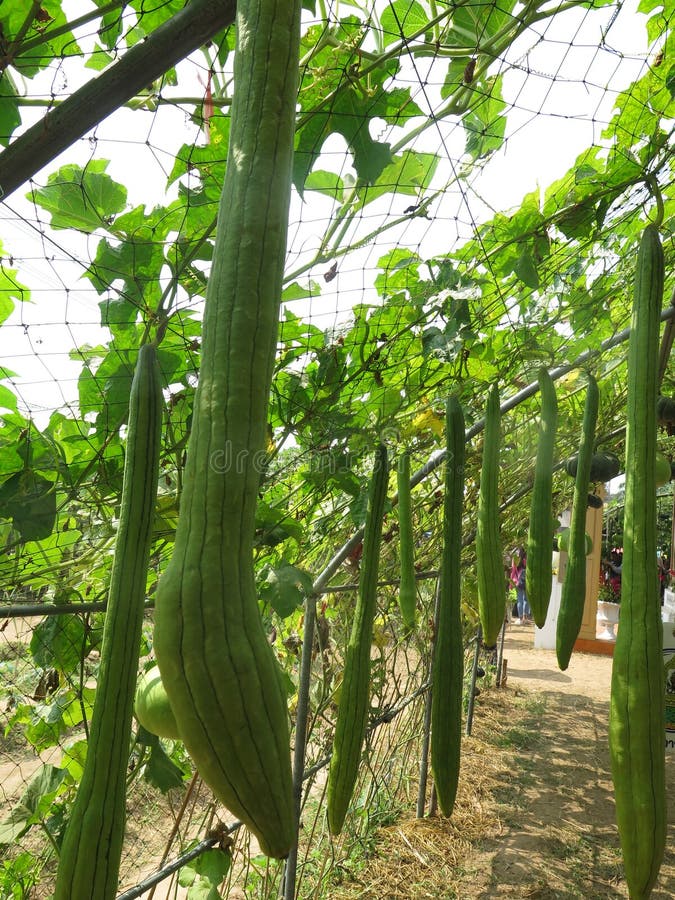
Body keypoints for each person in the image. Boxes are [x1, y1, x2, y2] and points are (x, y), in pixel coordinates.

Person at [511, 548, 531, 623]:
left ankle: (520, 618)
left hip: (518, 580)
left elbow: (513, 570)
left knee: (519, 600)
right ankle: (525, 617)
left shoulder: (515, 558)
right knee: (526, 599)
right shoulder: (527, 557)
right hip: (527, 580)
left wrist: (511, 582)